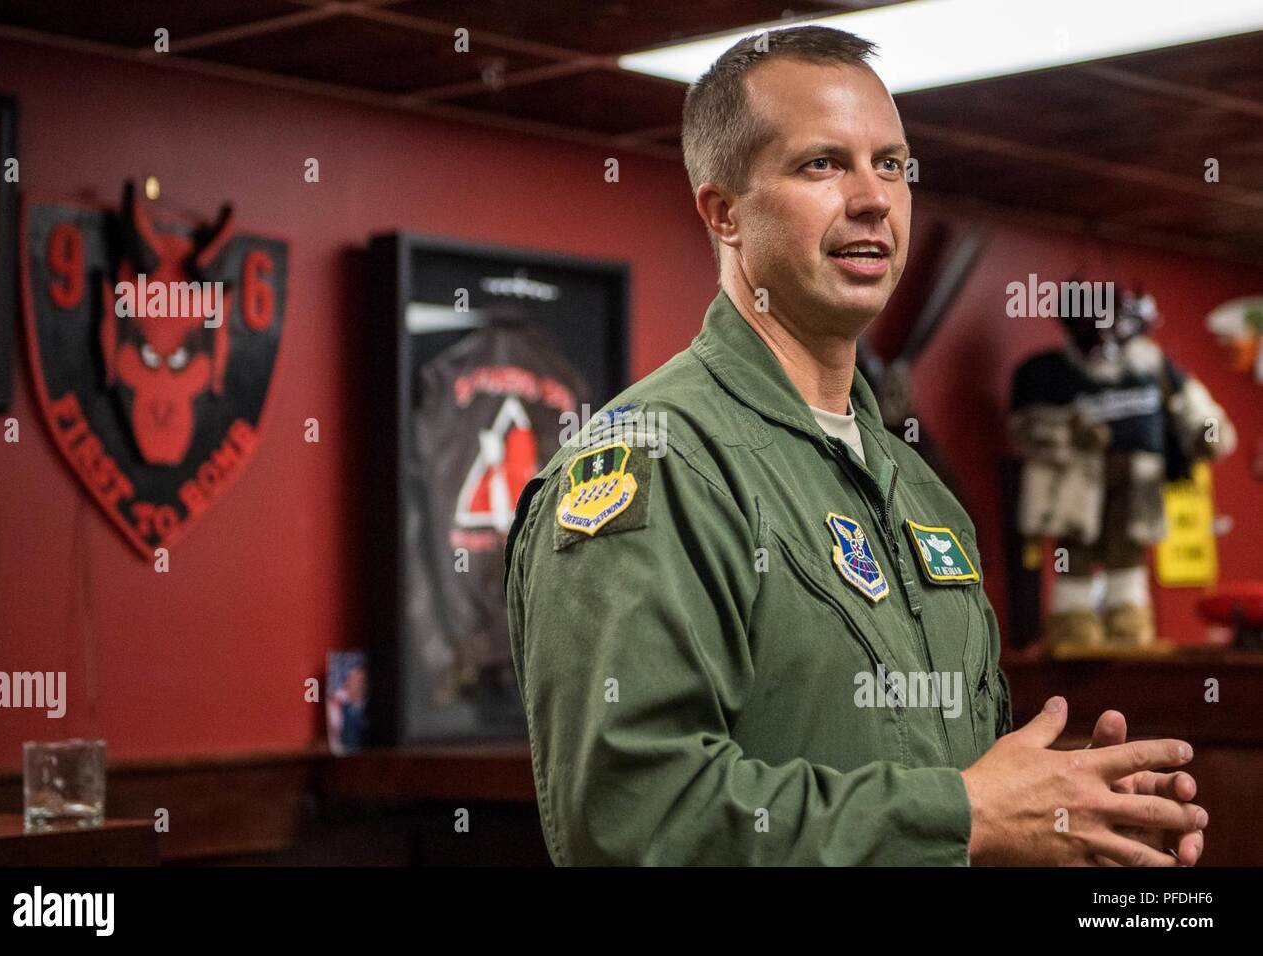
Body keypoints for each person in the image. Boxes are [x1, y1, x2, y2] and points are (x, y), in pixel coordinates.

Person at [504, 25, 1206, 866]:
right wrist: (965, 816)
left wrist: (1063, 810)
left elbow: (931, 782)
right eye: (821, 165)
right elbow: (631, 821)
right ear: (723, 212)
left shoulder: (920, 492)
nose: (874, 196)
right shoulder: (653, 464)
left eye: (893, 164)